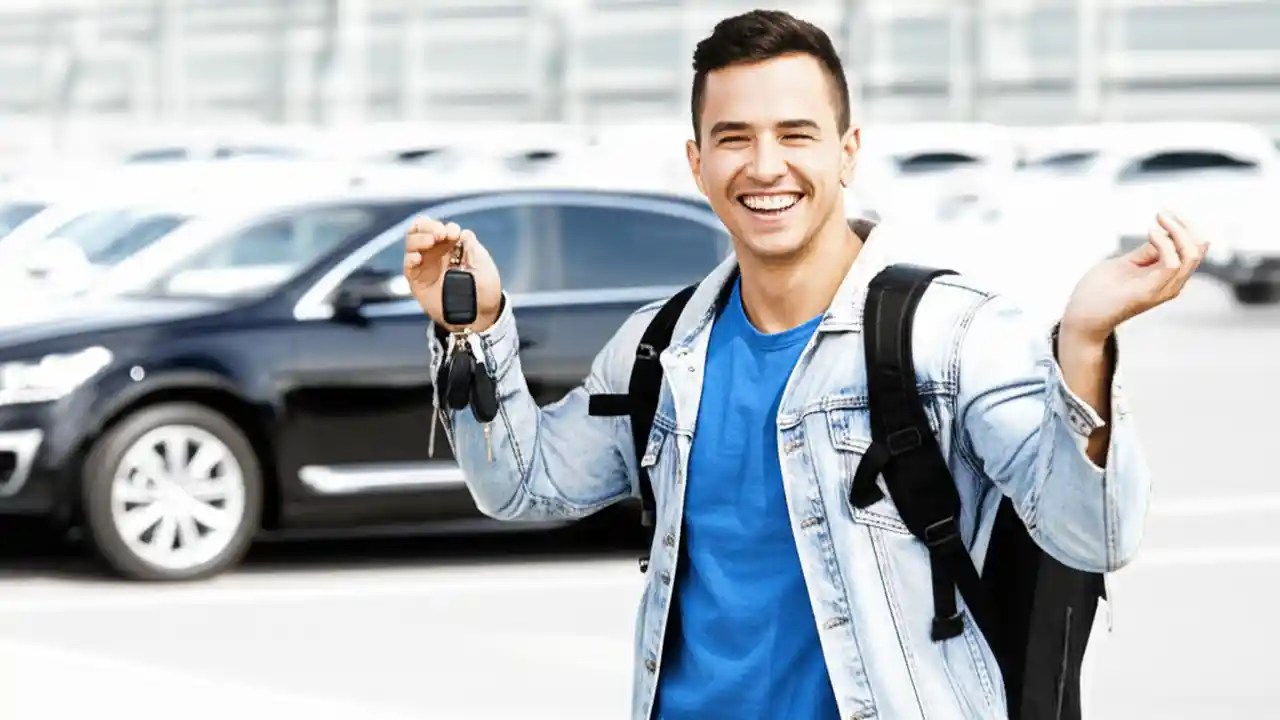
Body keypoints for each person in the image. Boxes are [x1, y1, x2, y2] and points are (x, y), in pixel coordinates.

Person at [403, 10, 1206, 720]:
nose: (764, 166)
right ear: (696, 162)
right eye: (734, 138)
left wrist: (1086, 343)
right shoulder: (660, 347)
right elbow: (523, 483)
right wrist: (473, 331)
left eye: (795, 134)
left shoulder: (953, 334)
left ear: (847, 151)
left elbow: (1093, 532)